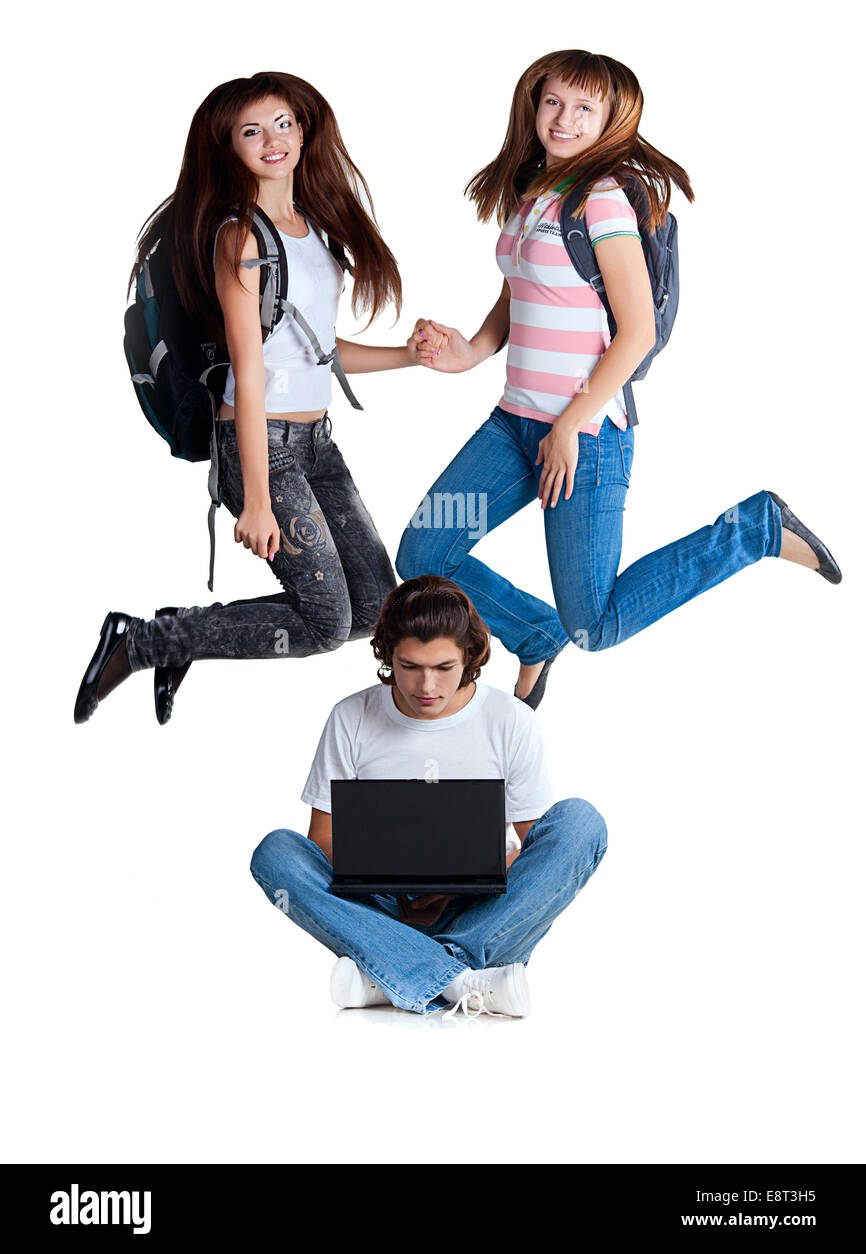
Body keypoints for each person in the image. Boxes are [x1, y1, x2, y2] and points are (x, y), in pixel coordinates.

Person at [397, 50, 842, 709]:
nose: (565, 118)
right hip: (514, 427)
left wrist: (572, 423)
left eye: (585, 108)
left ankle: (754, 529)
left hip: (588, 435)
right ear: (533, 103)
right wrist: (466, 352)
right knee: (424, 550)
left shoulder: (601, 199)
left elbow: (636, 332)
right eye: (554, 102)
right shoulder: (530, 195)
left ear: (610, 120)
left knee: (595, 624)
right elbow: (518, 303)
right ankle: (533, 632)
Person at [75, 71, 445, 726]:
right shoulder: (239, 236)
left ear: (305, 129)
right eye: (251, 130)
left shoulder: (312, 227)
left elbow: (316, 350)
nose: (271, 140)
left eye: (282, 124)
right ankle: (144, 642)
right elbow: (251, 372)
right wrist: (256, 499)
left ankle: (172, 632)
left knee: (372, 610)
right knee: (327, 622)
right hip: (258, 447)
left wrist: (406, 357)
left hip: (318, 443)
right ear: (229, 147)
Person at [249, 576, 607, 1017]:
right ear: (387, 657)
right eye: (409, 666)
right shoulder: (350, 717)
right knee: (277, 853)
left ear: (469, 658)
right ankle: (461, 978)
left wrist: (452, 883)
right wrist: (391, 877)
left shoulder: (510, 720)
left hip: (481, 907)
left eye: (443, 668)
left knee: (581, 822)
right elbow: (321, 839)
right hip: (379, 907)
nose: (426, 686)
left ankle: (390, 972)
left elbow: (537, 852)